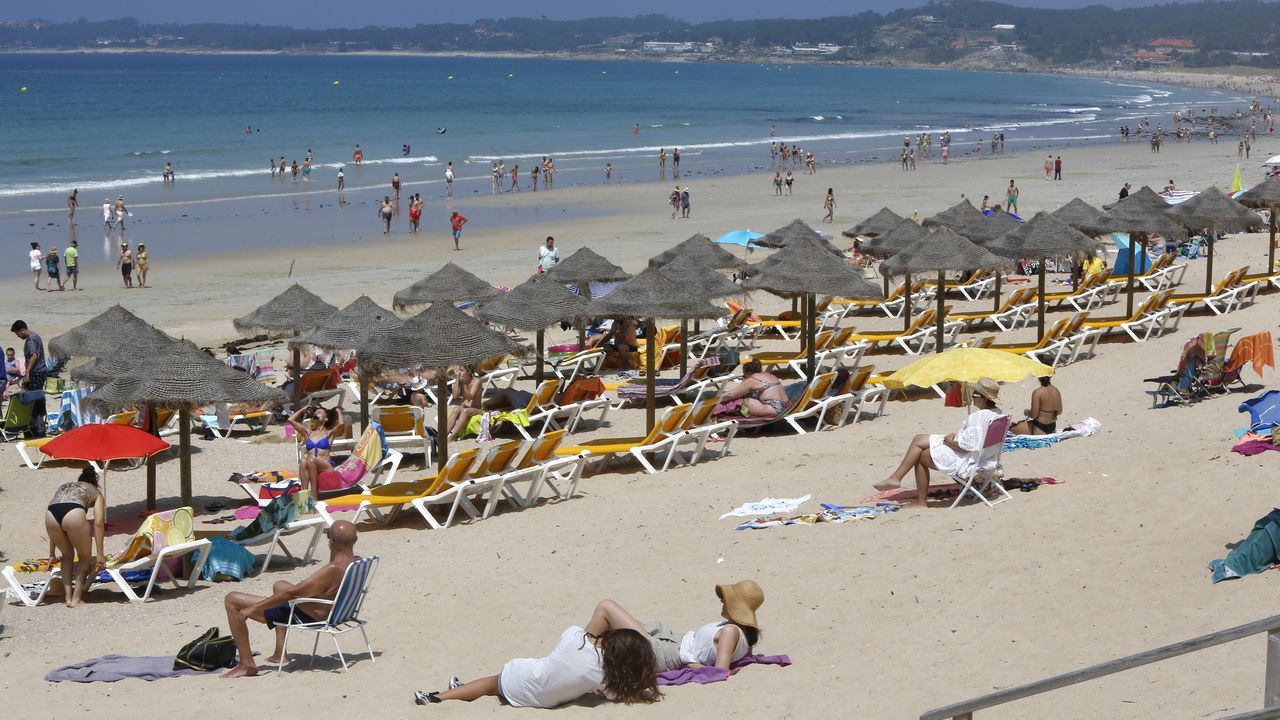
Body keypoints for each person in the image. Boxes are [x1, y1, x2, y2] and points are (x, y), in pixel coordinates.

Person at [414, 600, 661, 707]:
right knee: (495, 685)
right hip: (547, 699)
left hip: (527, 679)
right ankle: (458, 688)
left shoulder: (574, 639)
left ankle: (439, 697)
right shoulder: (606, 678)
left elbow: (595, 622)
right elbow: (611, 692)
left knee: (494, 682)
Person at [222, 520, 359, 678]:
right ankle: (280, 653)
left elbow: (292, 594)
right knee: (280, 585)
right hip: (336, 611)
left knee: (232, 599)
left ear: (331, 541)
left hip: (313, 616)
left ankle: (247, 664)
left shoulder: (333, 569)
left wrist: (253, 608)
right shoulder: (355, 561)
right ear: (354, 540)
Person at [872, 378, 1004, 507]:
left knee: (921, 455)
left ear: (985, 398)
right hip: (986, 458)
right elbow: (976, 441)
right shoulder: (999, 415)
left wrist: (948, 441)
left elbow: (966, 447)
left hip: (969, 461)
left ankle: (917, 499)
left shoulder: (979, 417)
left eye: (974, 394)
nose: (972, 397)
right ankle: (896, 478)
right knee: (919, 439)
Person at [653, 580, 765, 674]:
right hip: (678, 640)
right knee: (654, 625)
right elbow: (744, 657)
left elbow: (719, 672)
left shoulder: (731, 631)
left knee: (637, 633)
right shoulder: (746, 633)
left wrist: (692, 665)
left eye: (727, 599)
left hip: (675, 654)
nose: (722, 600)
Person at [45, 466, 107, 608]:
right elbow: (98, 524)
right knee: (84, 557)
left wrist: (51, 554)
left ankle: (67, 598)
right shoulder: (96, 492)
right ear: (94, 483)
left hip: (50, 514)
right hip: (74, 513)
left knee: (67, 555)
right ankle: (76, 599)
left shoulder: (65, 486)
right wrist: (100, 554)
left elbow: (58, 509)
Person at [286, 404, 345, 497]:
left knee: (311, 460)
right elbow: (290, 420)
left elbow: (341, 424)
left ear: (326, 418)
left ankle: (314, 496)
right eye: (316, 412)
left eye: (320, 412)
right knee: (303, 461)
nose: (316, 414)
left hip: (325, 465)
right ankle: (304, 496)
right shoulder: (308, 433)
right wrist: (303, 408)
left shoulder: (328, 434)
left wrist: (338, 411)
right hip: (310, 464)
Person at [11, 320, 47, 437]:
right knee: (34, 398)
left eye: (17, 334)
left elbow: (34, 356)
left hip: (35, 372)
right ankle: (34, 427)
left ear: (22, 330)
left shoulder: (30, 338)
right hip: (40, 371)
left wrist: (27, 372)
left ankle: (35, 428)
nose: (18, 336)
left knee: (31, 399)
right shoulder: (36, 336)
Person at [717, 359, 788, 418]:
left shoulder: (752, 379)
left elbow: (730, 395)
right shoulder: (770, 375)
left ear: (747, 372)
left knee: (742, 401)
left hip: (772, 409)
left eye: (744, 375)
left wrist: (715, 400)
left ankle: (717, 411)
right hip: (786, 406)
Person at [445, 365, 482, 443]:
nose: (459, 372)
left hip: (477, 409)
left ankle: (451, 437)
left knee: (465, 411)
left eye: (461, 370)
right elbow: (455, 396)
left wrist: (464, 384)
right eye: (458, 370)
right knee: (456, 409)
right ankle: (444, 434)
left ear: (468, 371)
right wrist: (457, 380)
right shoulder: (461, 380)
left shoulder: (476, 381)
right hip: (465, 407)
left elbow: (470, 397)